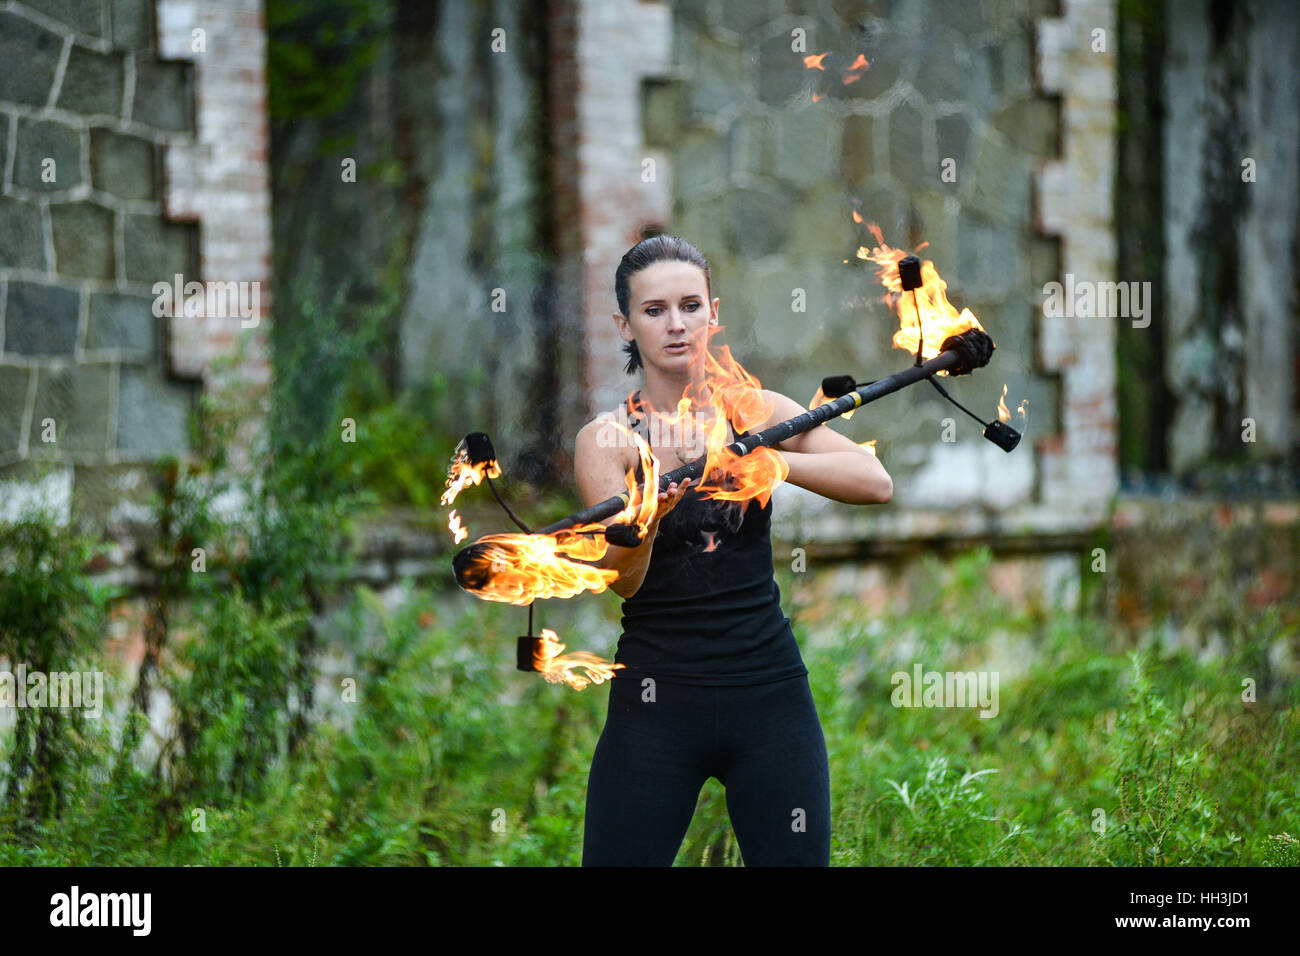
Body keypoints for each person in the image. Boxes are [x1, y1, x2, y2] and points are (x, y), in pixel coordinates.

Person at [572, 235, 893, 866]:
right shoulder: (607, 440)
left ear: (712, 314)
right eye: (654, 310)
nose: (676, 324)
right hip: (655, 699)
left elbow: (874, 482)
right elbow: (620, 580)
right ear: (626, 325)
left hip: (769, 696)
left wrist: (770, 458)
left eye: (690, 306)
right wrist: (646, 517)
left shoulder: (759, 410)